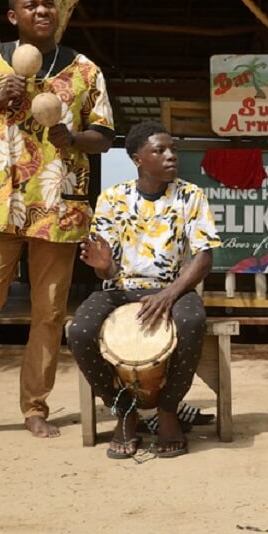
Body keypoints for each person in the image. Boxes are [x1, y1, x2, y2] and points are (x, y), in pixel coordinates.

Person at [0, 0, 114, 441]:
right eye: (30, 5)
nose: (42, 10)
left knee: (49, 310)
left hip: (57, 204)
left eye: (48, 3)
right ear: (12, 16)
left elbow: (105, 135)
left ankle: (35, 407)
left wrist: (72, 139)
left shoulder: (84, 69)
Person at [67, 121, 220, 459]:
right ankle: (124, 410)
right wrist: (102, 265)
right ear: (137, 159)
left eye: (173, 150)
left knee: (192, 323)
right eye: (159, 150)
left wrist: (169, 295)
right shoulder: (112, 198)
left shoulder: (191, 196)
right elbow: (108, 269)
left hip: (174, 289)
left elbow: (204, 258)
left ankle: (168, 411)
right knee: (78, 331)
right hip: (121, 289)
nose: (170, 157)